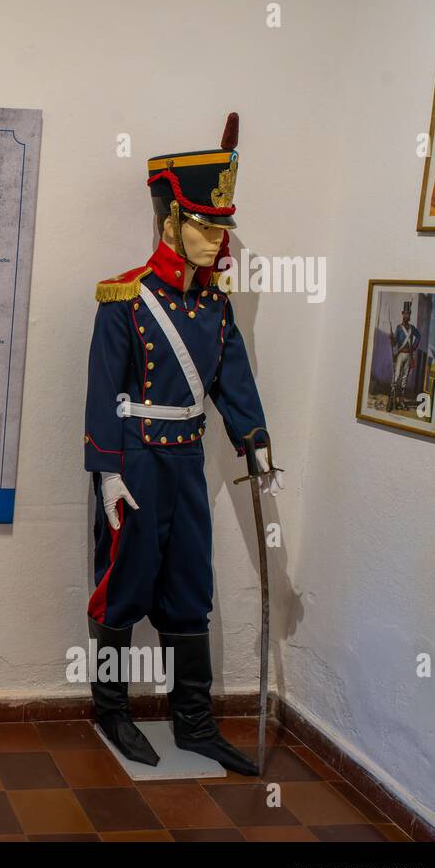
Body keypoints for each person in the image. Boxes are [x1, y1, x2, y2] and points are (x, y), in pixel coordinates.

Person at [82, 114, 283, 775]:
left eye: (221, 225)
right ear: (169, 221)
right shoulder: (125, 298)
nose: (214, 239)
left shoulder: (215, 308)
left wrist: (255, 448)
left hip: (188, 459)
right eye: (203, 223)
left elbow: (234, 383)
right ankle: (111, 709)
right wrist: (107, 473)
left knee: (189, 584)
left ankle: (192, 720)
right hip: (136, 458)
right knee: (123, 585)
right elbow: (102, 392)